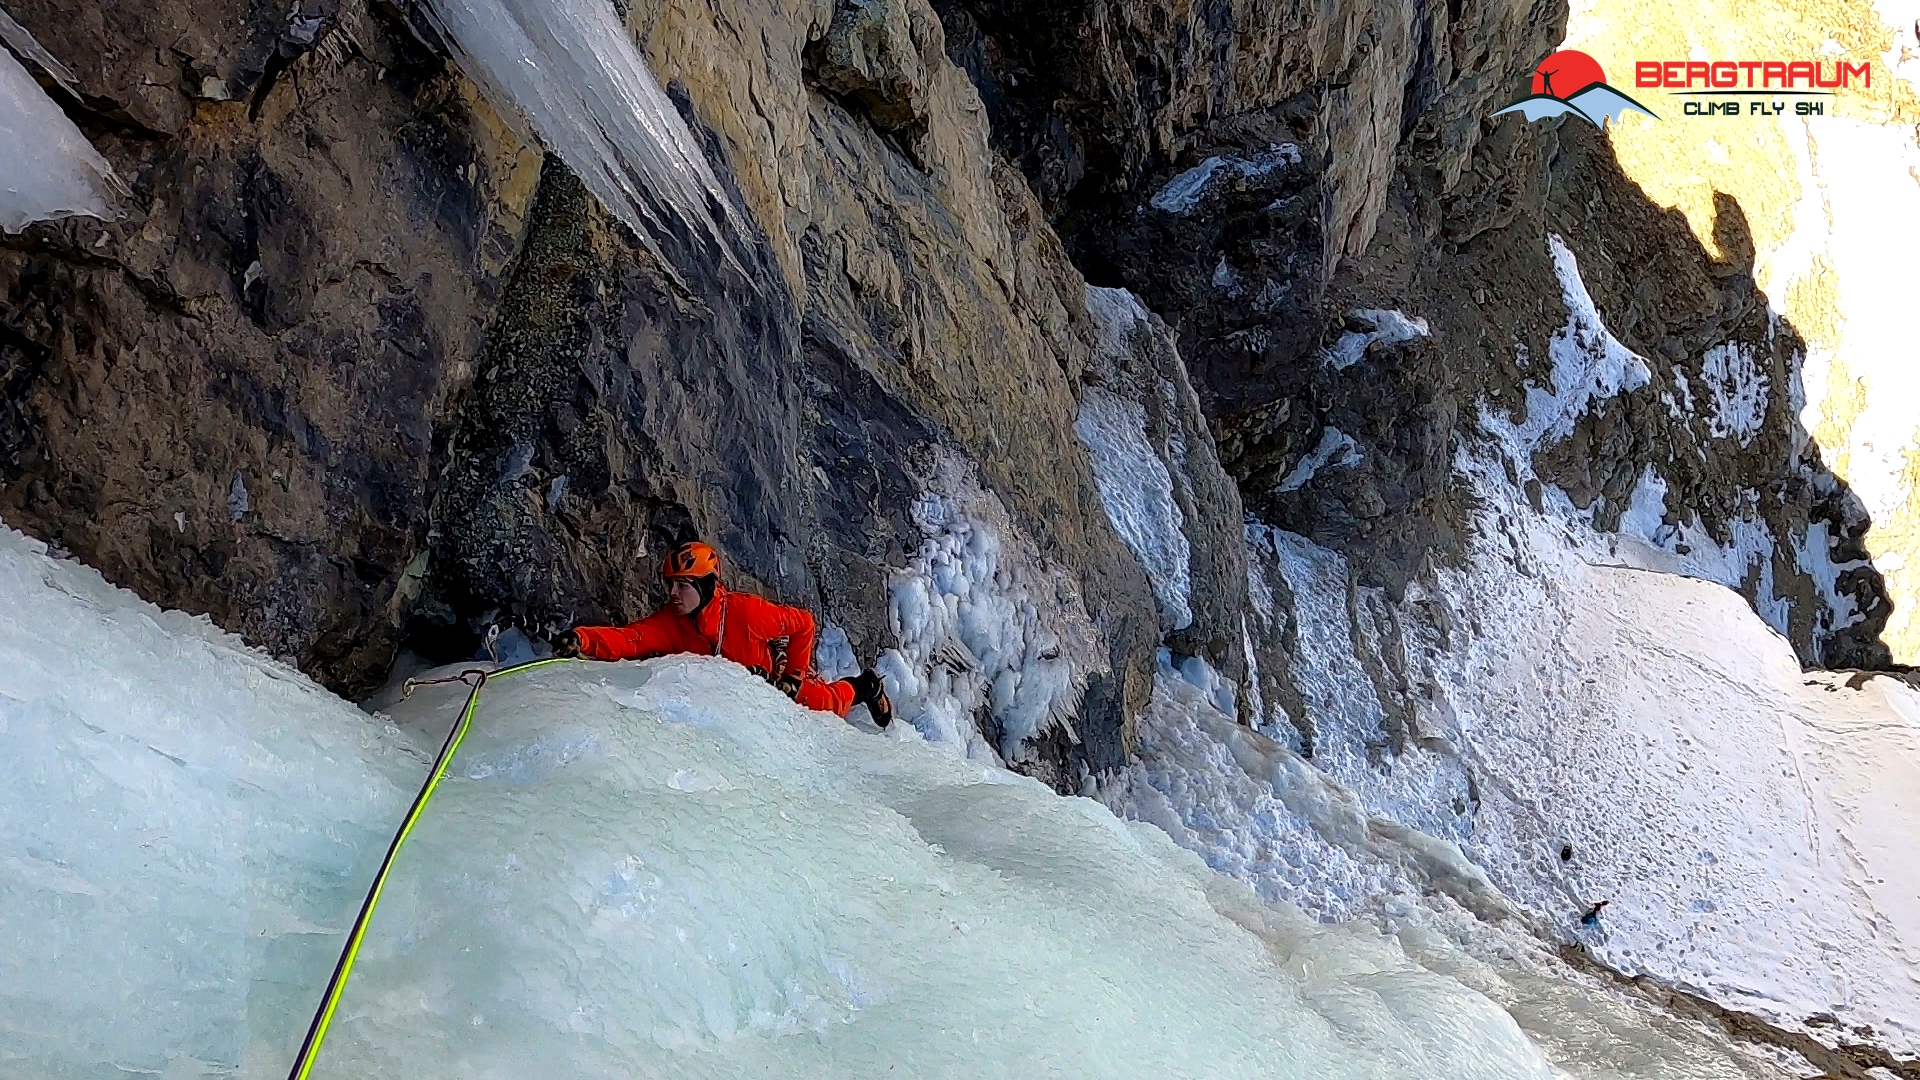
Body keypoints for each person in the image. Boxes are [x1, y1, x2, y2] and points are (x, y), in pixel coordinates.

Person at [553, 541, 892, 727]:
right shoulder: (673, 622)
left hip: (776, 679)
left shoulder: (746, 612)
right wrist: (581, 639)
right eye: (671, 584)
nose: (673, 593)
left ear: (705, 586)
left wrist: (794, 678)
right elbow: (631, 640)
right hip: (744, 698)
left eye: (682, 585)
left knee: (825, 706)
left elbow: (804, 623)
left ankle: (866, 686)